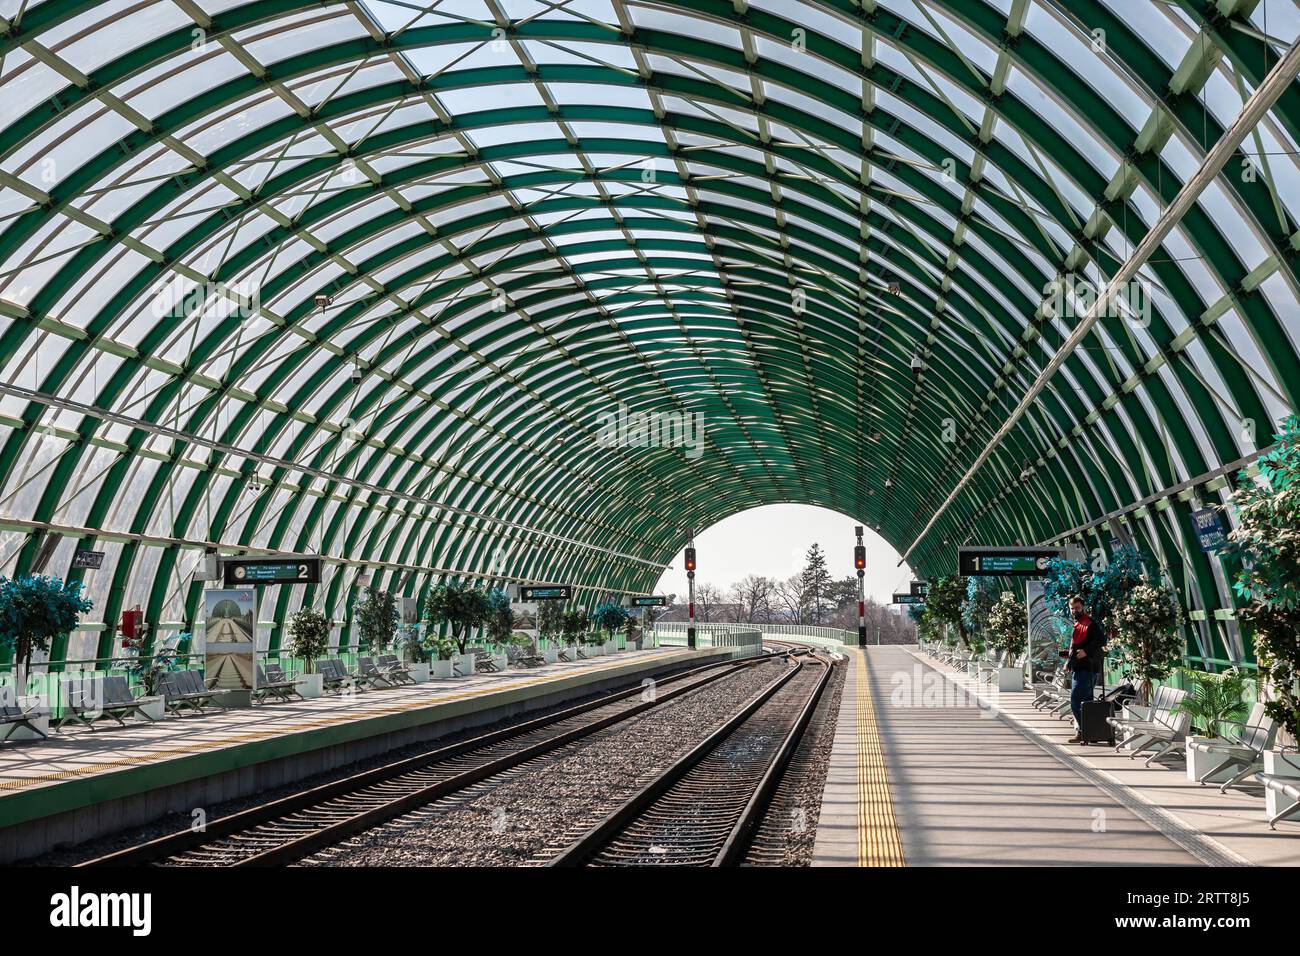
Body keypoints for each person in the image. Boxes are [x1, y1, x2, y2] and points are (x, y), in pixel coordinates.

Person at [1063, 595, 1106, 744]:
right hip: (1081, 668)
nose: (1074, 611)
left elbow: (1101, 640)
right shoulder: (1079, 623)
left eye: (1077, 608)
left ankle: (1085, 731)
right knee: (1085, 702)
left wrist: (1086, 651)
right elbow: (1074, 647)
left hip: (1087, 669)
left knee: (1076, 701)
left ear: (1083, 607)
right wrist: (1069, 662)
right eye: (1072, 608)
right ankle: (1088, 733)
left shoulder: (1090, 623)